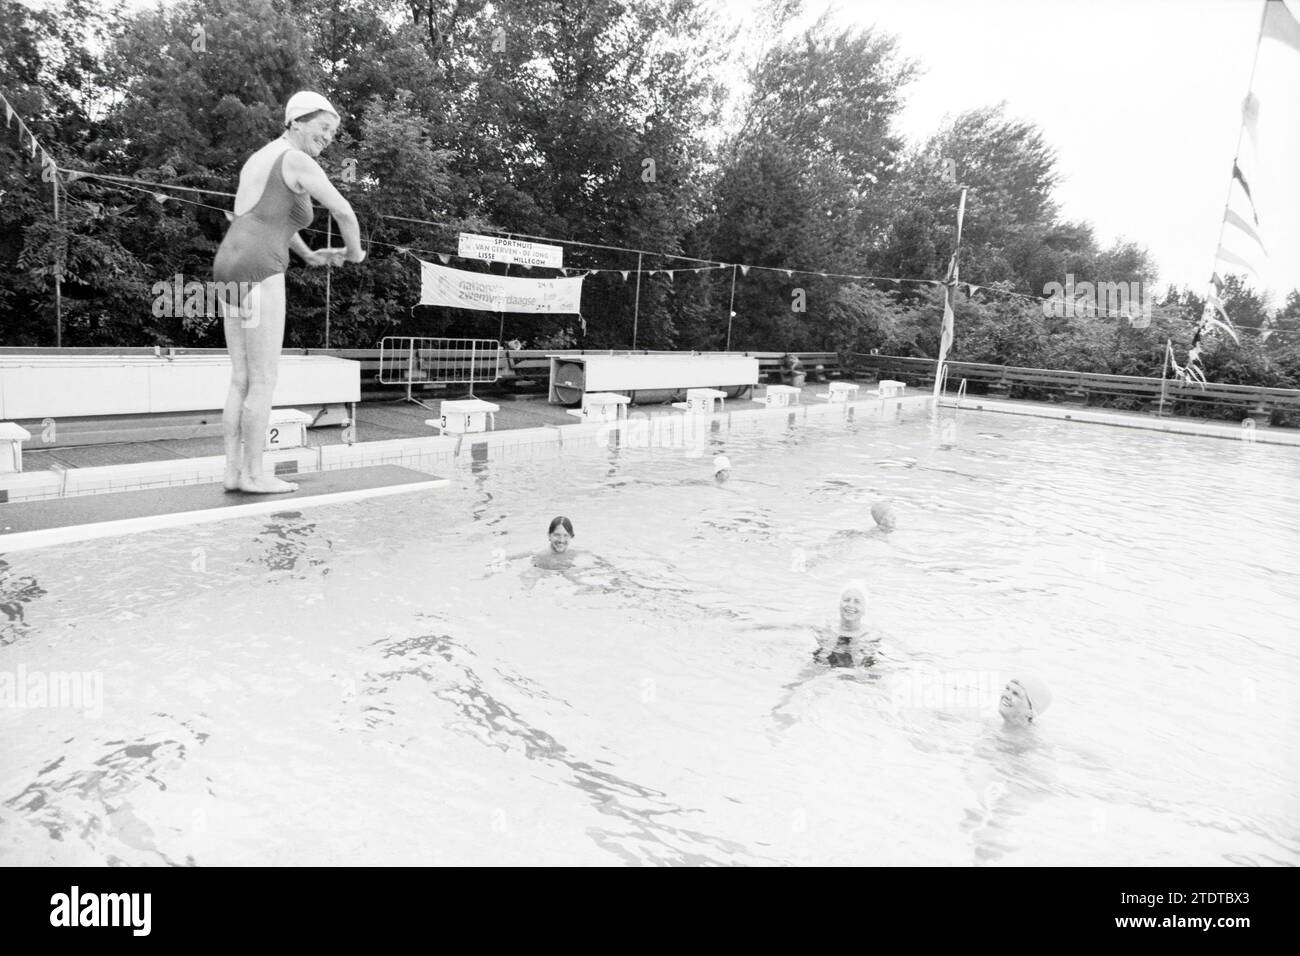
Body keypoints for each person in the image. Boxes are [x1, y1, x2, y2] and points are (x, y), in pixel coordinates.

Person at [213, 90, 365, 493]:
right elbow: (344, 211)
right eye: (323, 127)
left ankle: (232, 472)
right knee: (263, 379)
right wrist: (355, 253)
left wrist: (310, 256)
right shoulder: (296, 159)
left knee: (240, 379)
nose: (329, 137)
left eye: (333, 131)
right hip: (261, 266)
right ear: (296, 121)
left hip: (229, 263)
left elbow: (267, 218)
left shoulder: (260, 159)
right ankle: (254, 475)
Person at [813, 580, 878, 667]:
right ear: (839, 604)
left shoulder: (871, 636)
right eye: (847, 600)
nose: (851, 605)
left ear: (864, 610)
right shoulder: (826, 629)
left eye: (857, 602)